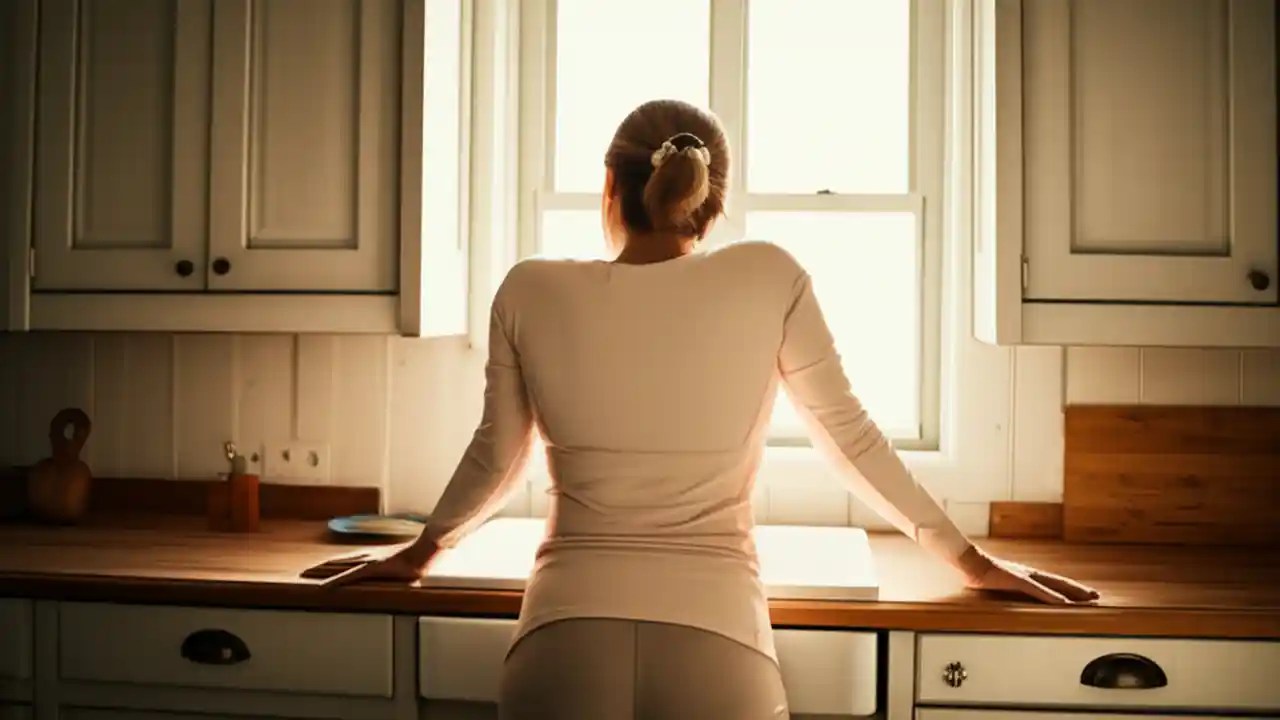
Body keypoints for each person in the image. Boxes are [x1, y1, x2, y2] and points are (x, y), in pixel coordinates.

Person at [326, 99, 1099, 719]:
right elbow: (850, 440)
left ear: (611, 188)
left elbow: (499, 454)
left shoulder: (529, 288)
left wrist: (420, 552)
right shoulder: (769, 276)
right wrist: (968, 559)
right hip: (719, 640)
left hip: (561, 639)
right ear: (711, 201)